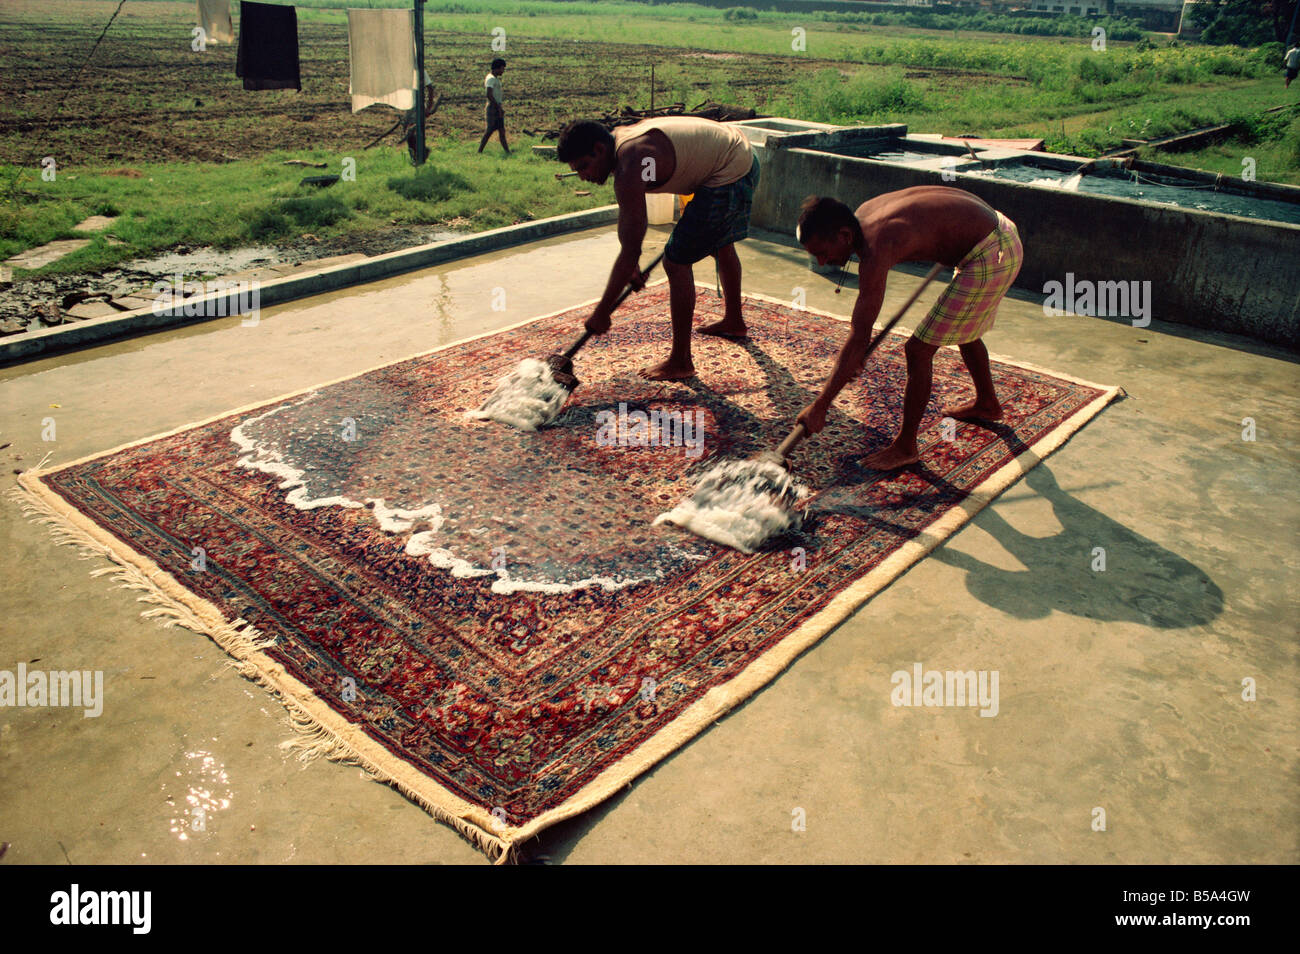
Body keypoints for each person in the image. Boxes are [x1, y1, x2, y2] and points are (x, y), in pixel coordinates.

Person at [794, 187, 1024, 470]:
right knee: (964, 322)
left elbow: (859, 334)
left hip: (992, 251)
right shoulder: (862, 214)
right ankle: (988, 403)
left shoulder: (876, 246)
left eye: (822, 253)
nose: (820, 262)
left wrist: (821, 405)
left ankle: (906, 446)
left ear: (844, 236)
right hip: (996, 231)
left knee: (918, 349)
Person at [556, 116, 760, 380]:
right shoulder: (621, 144)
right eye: (577, 171)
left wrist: (602, 312)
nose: (583, 177)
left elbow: (630, 249)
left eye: (584, 166)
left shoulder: (632, 161)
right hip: (739, 153)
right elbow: (630, 226)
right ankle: (734, 322)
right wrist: (631, 264)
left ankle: (681, 361)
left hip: (730, 170)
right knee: (721, 243)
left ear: (599, 149)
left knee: (676, 261)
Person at [478, 58, 509, 154]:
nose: (503, 71)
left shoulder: (493, 78)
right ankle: (479, 151)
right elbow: (489, 94)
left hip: (496, 106)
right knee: (489, 131)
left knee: (501, 131)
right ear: (497, 68)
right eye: (502, 68)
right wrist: (498, 107)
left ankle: (507, 152)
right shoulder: (491, 79)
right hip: (493, 107)